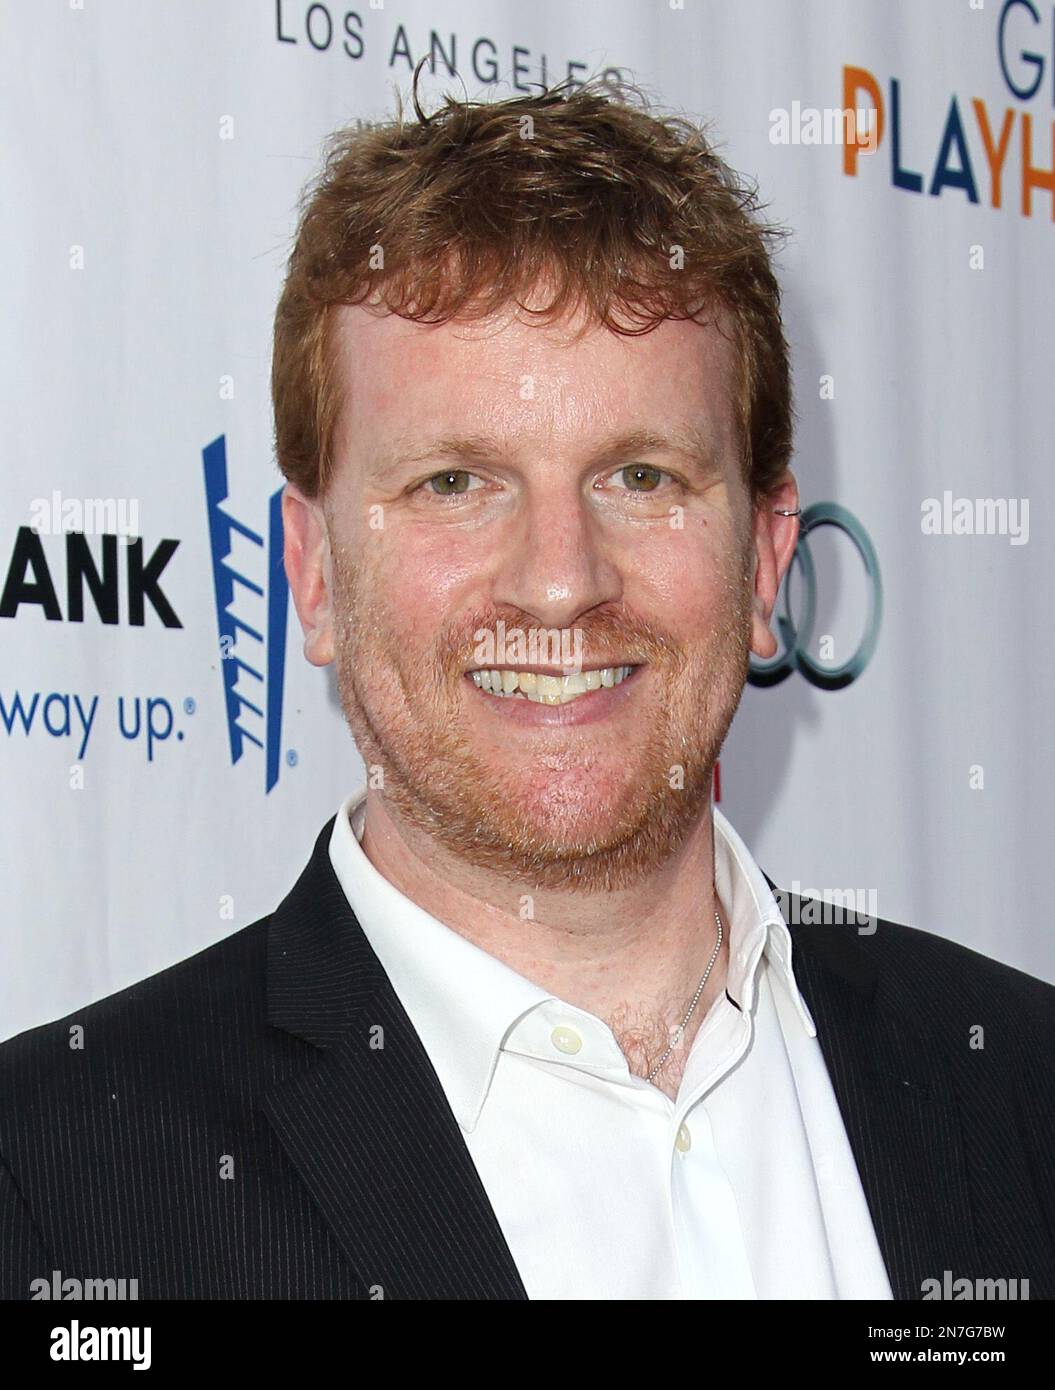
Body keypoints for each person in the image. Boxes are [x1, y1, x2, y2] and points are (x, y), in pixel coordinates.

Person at [2, 71, 1053, 1302]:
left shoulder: (1017, 1084)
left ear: (768, 558)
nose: (558, 583)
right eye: (456, 482)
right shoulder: (52, 1196)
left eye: (641, 476)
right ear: (312, 574)